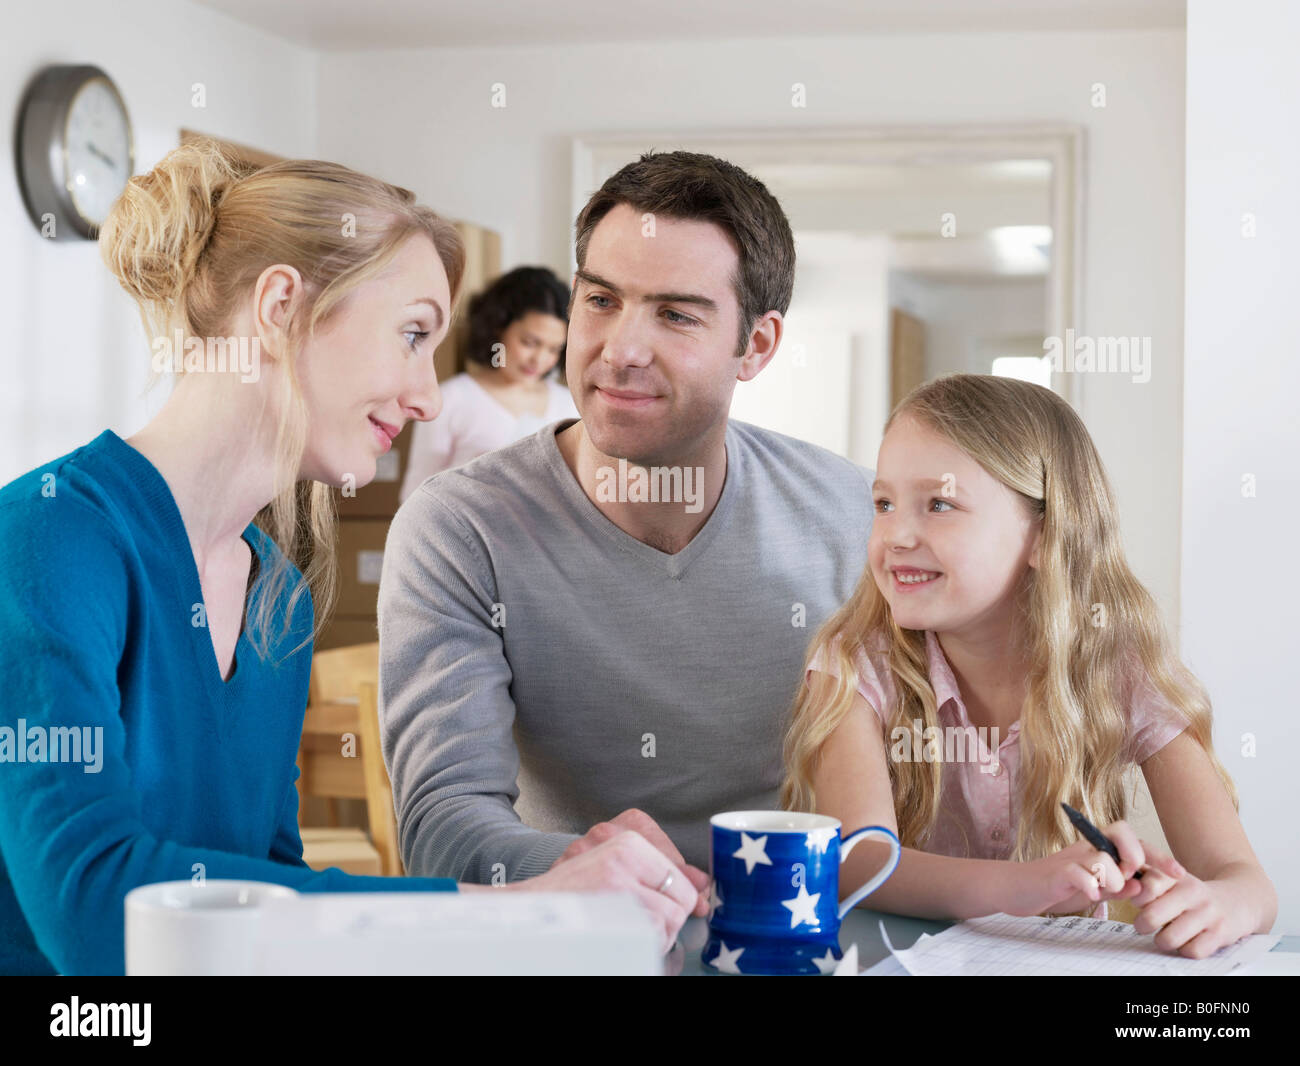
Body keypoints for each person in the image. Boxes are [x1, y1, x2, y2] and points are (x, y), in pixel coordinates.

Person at [0, 139, 695, 976]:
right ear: (281, 305)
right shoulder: (47, 538)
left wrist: (551, 883)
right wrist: (510, 912)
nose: (429, 395)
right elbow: (91, 908)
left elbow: (274, 892)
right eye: (411, 335)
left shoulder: (276, 598)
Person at [379, 151, 873, 902]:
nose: (621, 350)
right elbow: (444, 824)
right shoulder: (458, 528)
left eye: (675, 314)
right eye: (601, 300)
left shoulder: (855, 514)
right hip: (579, 945)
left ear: (758, 345)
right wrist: (596, 878)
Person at [781, 373, 1277, 957]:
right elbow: (856, 860)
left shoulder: (1114, 665)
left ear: (1044, 535)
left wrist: (1217, 905)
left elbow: (1247, 883)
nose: (895, 533)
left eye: (938, 504)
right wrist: (1022, 887)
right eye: (884, 503)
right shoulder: (856, 661)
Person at [398, 267, 577, 499]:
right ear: (498, 327)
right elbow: (414, 496)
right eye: (530, 342)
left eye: (553, 349)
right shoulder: (450, 400)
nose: (540, 359)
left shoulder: (569, 404)